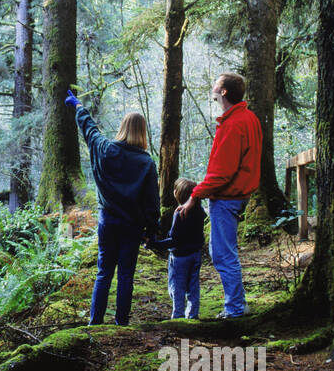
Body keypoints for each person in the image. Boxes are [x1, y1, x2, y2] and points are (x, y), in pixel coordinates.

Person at [65, 90, 160, 326]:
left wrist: (79, 107)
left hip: (107, 222)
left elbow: (90, 131)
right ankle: (121, 323)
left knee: (104, 272)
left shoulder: (106, 150)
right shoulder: (146, 163)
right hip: (133, 226)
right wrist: (152, 229)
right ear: (142, 132)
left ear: (123, 127)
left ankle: (95, 322)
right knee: (126, 274)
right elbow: (152, 200)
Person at [176, 72, 262, 319]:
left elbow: (222, 173)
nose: (212, 87)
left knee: (223, 253)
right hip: (236, 194)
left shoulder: (235, 123)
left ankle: (235, 308)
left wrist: (195, 195)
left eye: (216, 85)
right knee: (223, 251)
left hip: (228, 197)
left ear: (223, 92)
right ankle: (237, 304)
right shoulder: (246, 118)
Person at [149, 177, 206, 320]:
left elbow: (174, 240)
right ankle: (192, 315)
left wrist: (154, 244)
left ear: (177, 194)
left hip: (180, 258)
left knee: (177, 286)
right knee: (193, 285)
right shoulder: (200, 212)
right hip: (195, 254)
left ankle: (178, 316)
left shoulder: (179, 213)